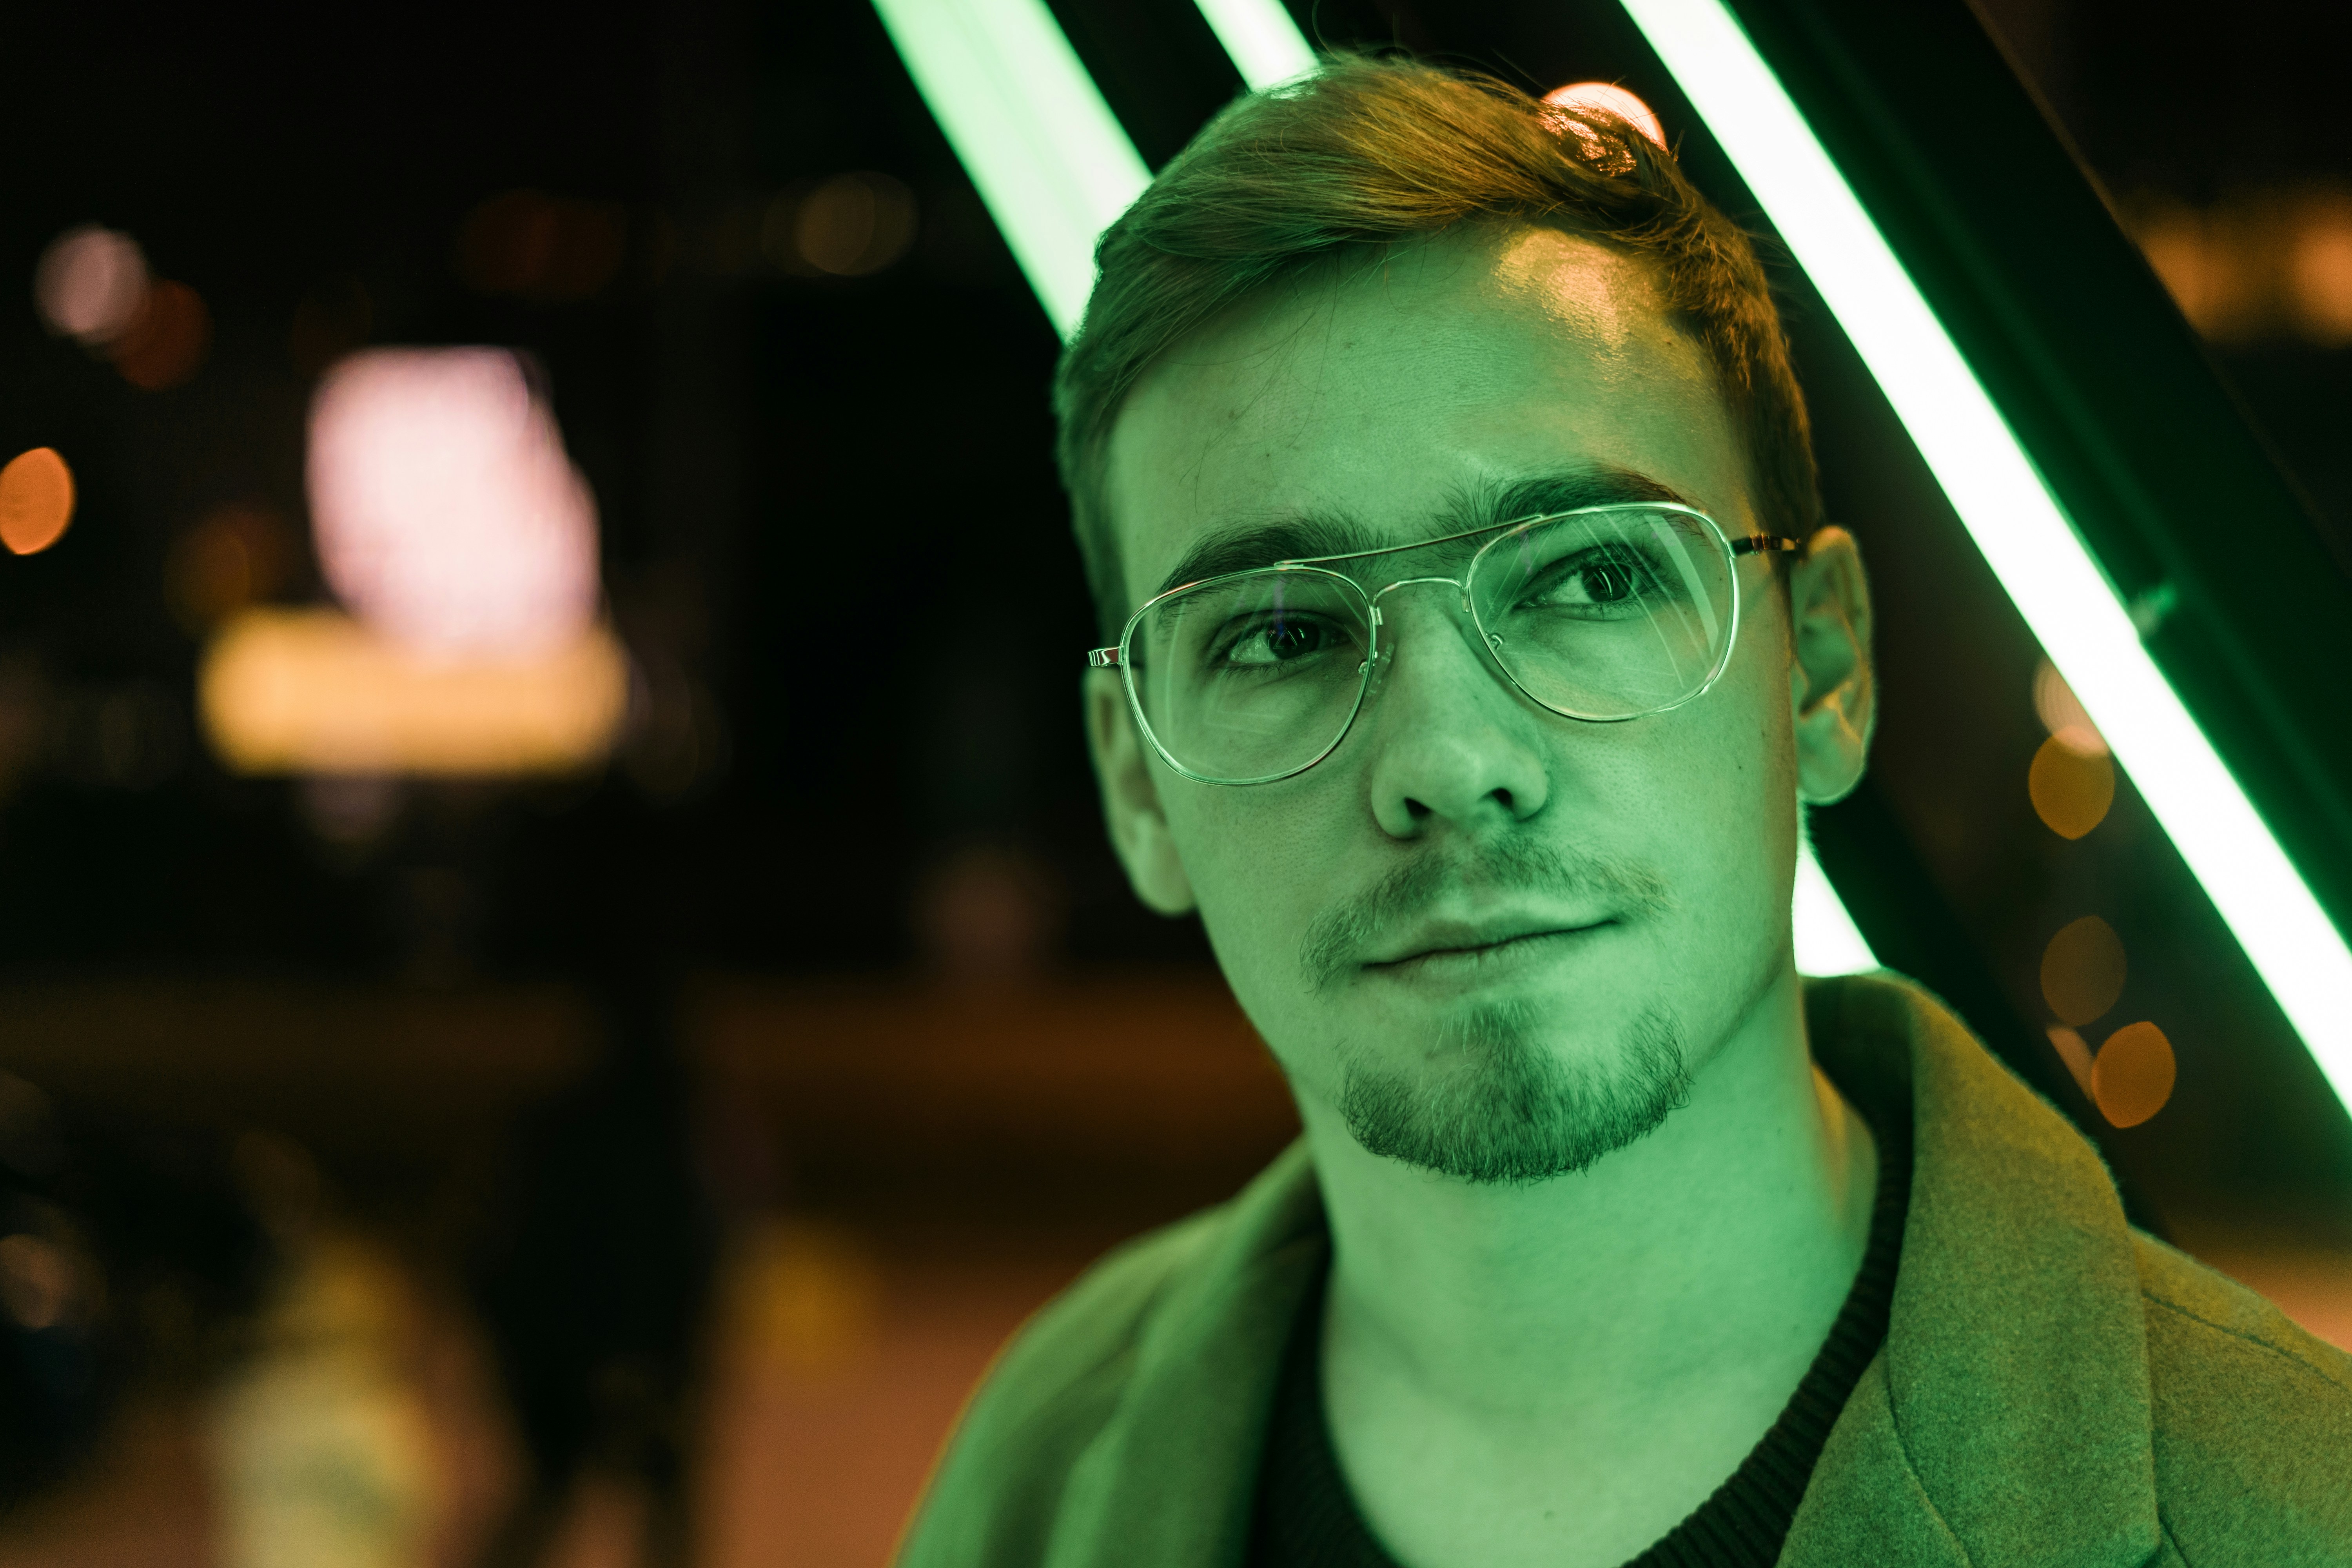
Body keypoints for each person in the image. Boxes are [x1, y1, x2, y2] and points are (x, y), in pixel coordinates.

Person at [895, 54, 2352, 1568]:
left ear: (1821, 672)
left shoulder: (2297, 1520)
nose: (1448, 758)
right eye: (1280, 633)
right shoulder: (1039, 1472)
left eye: (1591, 576)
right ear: (1137, 781)